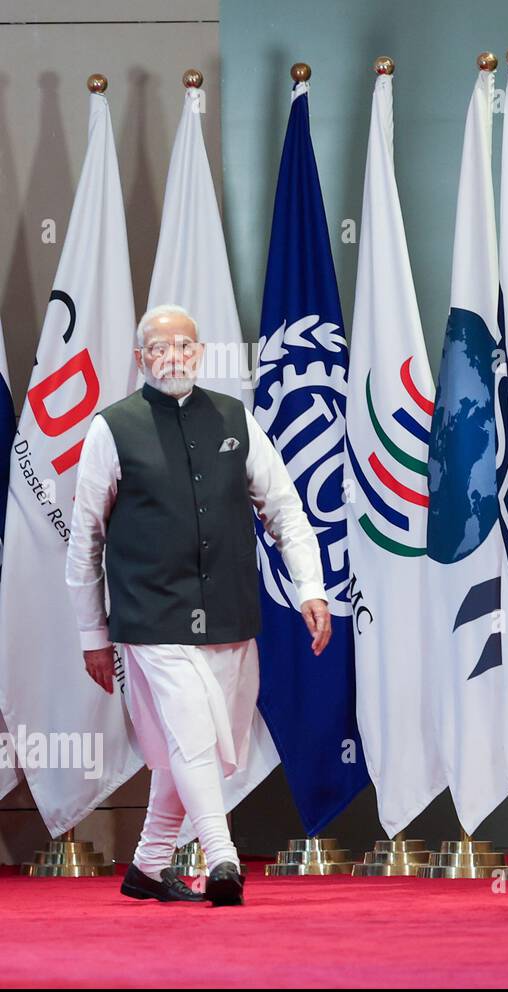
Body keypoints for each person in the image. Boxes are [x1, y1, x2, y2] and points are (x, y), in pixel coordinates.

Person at [65, 303, 331, 906]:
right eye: (160, 349)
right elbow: (86, 542)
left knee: (198, 745)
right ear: (141, 359)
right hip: (151, 616)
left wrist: (311, 588)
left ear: (200, 352)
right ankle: (224, 862)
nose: (174, 357)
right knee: (191, 733)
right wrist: (92, 635)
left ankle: (148, 866)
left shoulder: (235, 418)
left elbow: (285, 509)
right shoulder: (112, 429)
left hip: (231, 613)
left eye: (184, 346)